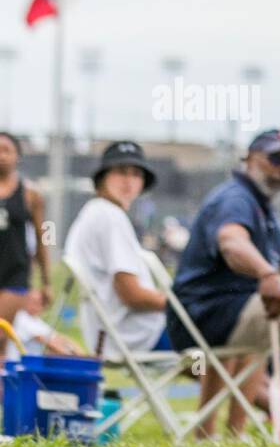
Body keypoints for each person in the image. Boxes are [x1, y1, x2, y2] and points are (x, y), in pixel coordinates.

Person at [168, 129, 280, 437]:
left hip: (217, 312)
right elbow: (231, 242)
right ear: (249, 159)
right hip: (202, 317)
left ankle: (220, 432)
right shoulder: (236, 199)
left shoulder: (262, 205)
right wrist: (267, 275)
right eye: (277, 158)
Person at [63, 141, 170, 360]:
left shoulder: (92, 213)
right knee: (228, 343)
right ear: (102, 178)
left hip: (109, 335)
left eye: (136, 174)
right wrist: (181, 304)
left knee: (231, 360)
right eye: (121, 172)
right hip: (139, 334)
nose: (129, 181)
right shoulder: (111, 217)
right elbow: (131, 294)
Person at [0, 132, 52, 358]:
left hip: (15, 275)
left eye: (6, 150)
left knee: (0, 334)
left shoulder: (31, 194)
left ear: (17, 157)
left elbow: (45, 235)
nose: (1, 156)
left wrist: (47, 281)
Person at [4, 290, 84, 362]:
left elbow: (60, 339)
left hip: (31, 366)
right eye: (29, 300)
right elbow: (48, 342)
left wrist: (81, 354)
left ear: (42, 306)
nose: (31, 305)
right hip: (17, 367)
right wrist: (75, 358)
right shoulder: (21, 317)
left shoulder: (38, 322)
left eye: (35, 302)